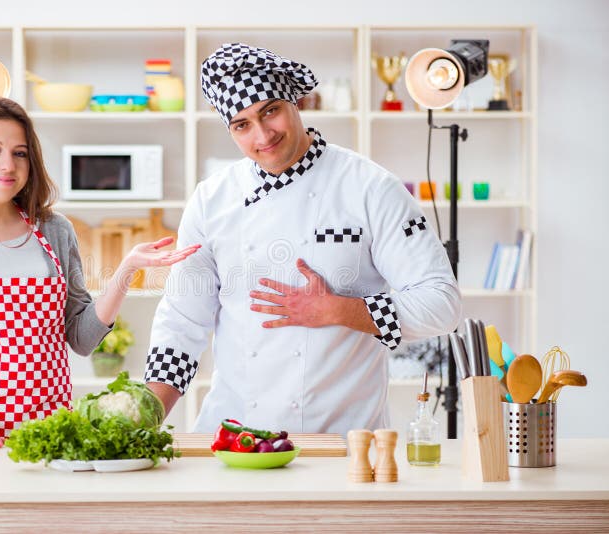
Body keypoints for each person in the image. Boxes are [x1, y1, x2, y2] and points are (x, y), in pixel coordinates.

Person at [143, 43, 461, 434]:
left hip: (341, 440)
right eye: (242, 125)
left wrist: (340, 310)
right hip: (234, 438)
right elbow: (182, 322)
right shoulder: (211, 200)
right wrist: (142, 421)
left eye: (270, 111)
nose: (262, 135)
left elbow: (442, 304)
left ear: (296, 101)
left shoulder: (371, 187)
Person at [0, 97, 199, 449]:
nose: (8, 165)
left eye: (20, 153)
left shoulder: (55, 231)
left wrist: (126, 271)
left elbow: (81, 339)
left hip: (49, 435)